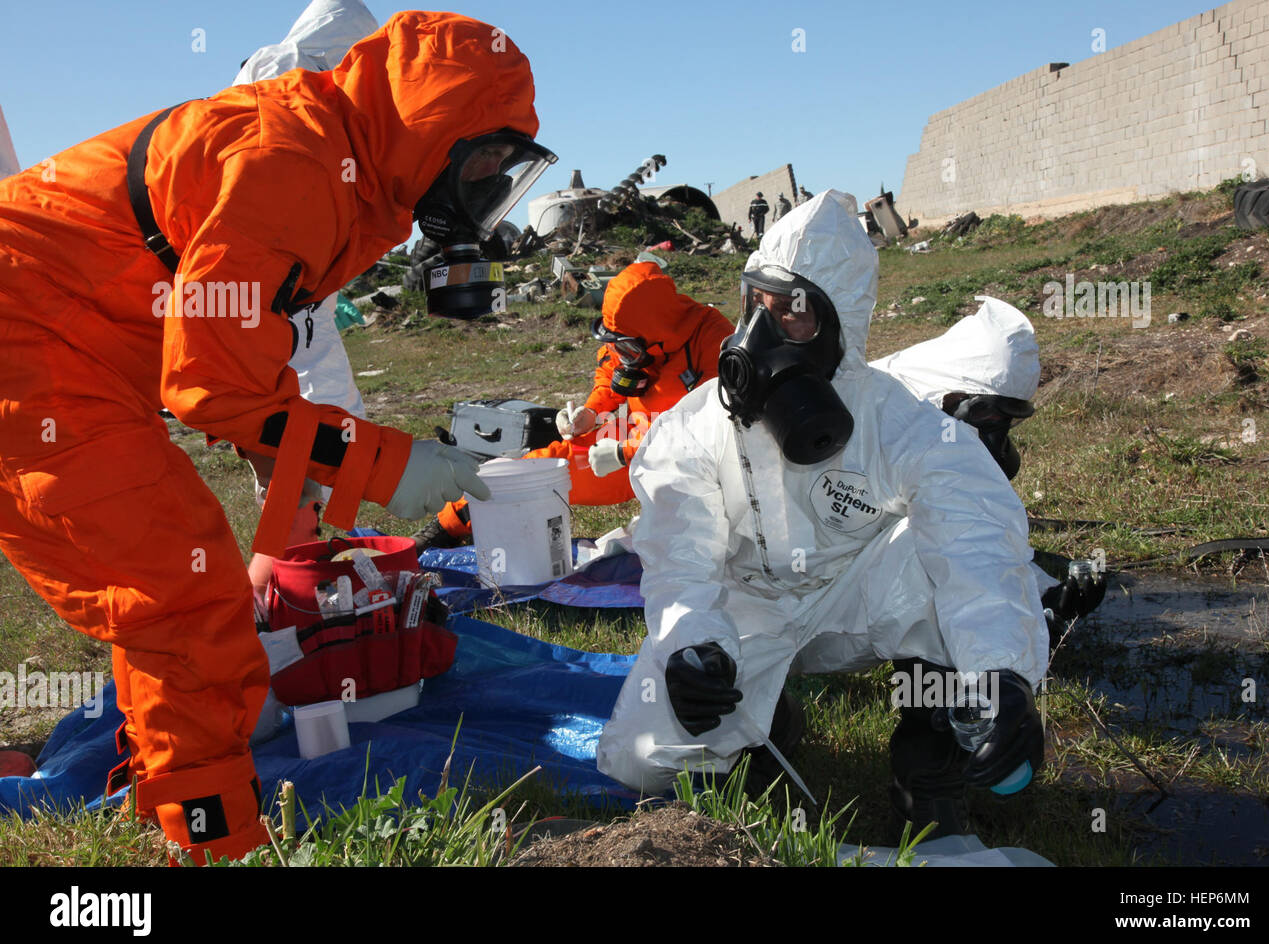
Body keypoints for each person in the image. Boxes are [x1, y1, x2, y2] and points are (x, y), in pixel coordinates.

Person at [0, 12, 553, 864]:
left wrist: (291, 461)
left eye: (502, 168)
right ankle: (215, 844)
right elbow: (211, 387)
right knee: (177, 595)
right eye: (481, 158)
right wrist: (393, 465)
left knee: (179, 590)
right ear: (428, 126)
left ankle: (172, 801)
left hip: (65, 340)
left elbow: (242, 345)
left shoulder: (334, 166)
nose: (486, 185)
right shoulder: (292, 166)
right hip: (29, 343)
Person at [597, 191, 1048, 838]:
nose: (760, 334)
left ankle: (931, 779)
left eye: (795, 314)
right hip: (744, 605)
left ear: (840, 327)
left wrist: (1004, 672)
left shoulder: (896, 420)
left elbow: (976, 538)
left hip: (851, 599)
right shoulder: (695, 428)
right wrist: (692, 643)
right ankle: (766, 717)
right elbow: (680, 551)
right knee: (637, 765)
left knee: (947, 573)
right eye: (758, 304)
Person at [417, 260, 734, 547]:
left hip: (697, 469)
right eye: (618, 344)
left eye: (628, 347)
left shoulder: (715, 341)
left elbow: (706, 430)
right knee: (545, 467)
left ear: (656, 335)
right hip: (636, 436)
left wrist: (627, 452)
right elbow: (613, 369)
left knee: (686, 549)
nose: (622, 354)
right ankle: (449, 524)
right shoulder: (631, 329)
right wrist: (592, 411)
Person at [234, 0, 379, 599]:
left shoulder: (282, 76)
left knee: (305, 434)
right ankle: (285, 580)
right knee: (287, 434)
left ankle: (297, 561)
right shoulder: (289, 81)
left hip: (292, 298)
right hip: (268, 292)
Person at [868, 296, 1107, 639]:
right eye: (993, 419)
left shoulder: (944, 417)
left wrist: (1047, 594)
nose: (997, 437)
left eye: (1006, 422)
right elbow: (947, 535)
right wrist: (1021, 607)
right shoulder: (883, 415)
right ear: (956, 401)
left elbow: (980, 526)